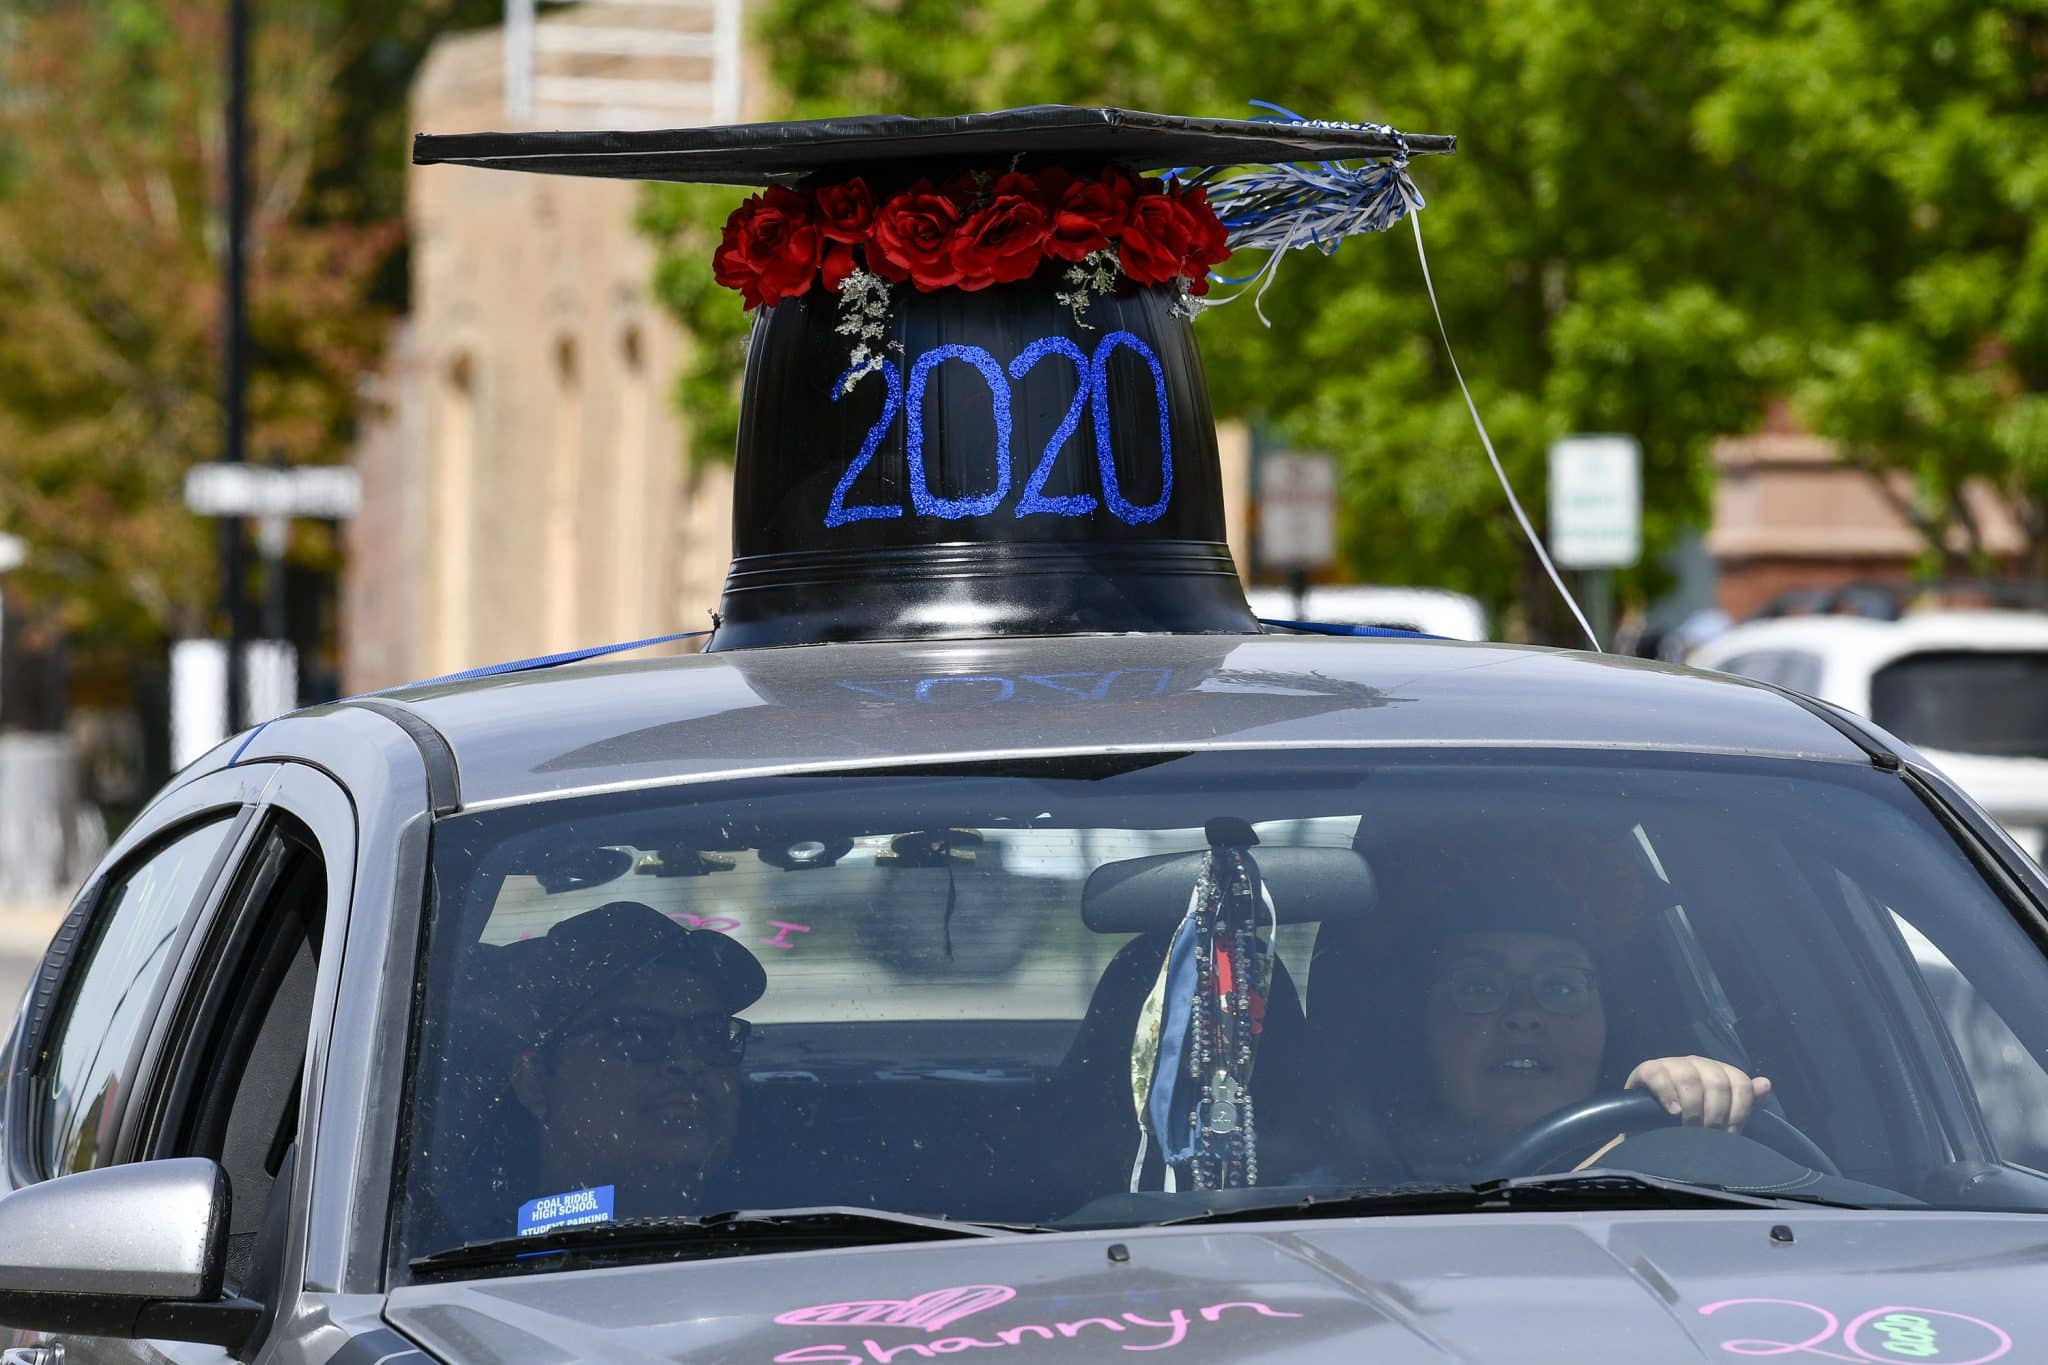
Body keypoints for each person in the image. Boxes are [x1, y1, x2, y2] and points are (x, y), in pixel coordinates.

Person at [1316, 870, 1770, 1183]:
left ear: (1608, 1023)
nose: (1524, 1012)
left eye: (1562, 987)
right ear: (1420, 1028)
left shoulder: (1680, 1179)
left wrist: (1679, 1123)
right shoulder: (1321, 1203)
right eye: (1478, 988)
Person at [491, 900, 767, 1221]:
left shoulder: (809, 1241)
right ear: (534, 1081)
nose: (688, 1061)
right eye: (639, 1036)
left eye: (713, 1038)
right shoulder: (461, 1260)